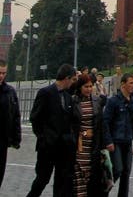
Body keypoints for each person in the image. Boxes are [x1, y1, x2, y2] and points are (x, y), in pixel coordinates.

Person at [26, 63, 79, 197]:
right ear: (67, 78)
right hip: (48, 147)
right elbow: (35, 118)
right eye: (73, 80)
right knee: (42, 179)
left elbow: (71, 120)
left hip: (64, 147)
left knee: (61, 182)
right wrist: (43, 137)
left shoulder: (67, 96)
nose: (73, 83)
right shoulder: (46, 93)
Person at [103, 72, 133, 197]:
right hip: (115, 141)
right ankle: (103, 190)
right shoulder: (113, 101)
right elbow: (105, 122)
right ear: (123, 84)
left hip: (127, 141)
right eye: (131, 83)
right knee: (117, 169)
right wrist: (108, 141)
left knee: (126, 173)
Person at [72, 72, 106, 197]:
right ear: (80, 87)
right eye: (86, 86)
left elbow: (101, 123)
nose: (89, 89)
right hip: (79, 146)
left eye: (90, 86)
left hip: (93, 146)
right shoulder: (74, 101)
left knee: (90, 178)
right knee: (79, 178)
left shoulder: (97, 101)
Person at [0, 58, 21, 189]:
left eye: (4, 73)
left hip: (2, 140)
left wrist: (16, 138)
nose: (1, 76)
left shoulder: (10, 91)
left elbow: (15, 116)